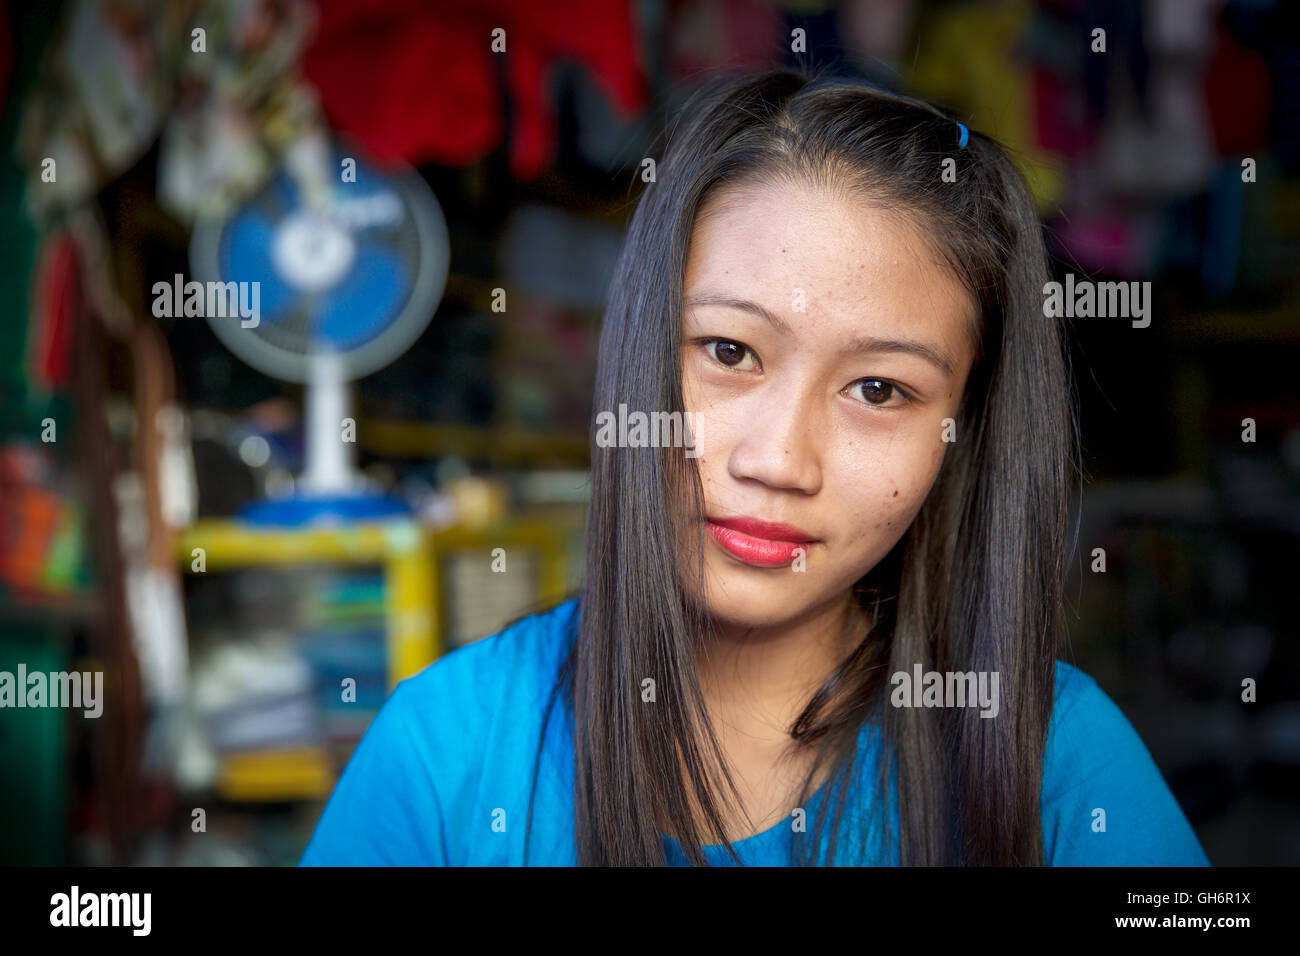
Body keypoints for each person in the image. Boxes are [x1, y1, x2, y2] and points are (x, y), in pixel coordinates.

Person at [300, 69, 1210, 866]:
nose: (778, 461)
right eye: (729, 351)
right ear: (639, 348)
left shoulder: (1056, 763)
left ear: (961, 431)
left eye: (882, 390)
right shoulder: (445, 756)